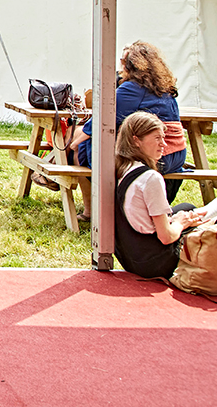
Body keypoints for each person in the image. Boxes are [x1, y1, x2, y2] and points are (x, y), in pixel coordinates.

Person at [69, 40, 187, 221]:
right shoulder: (164, 88)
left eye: (122, 62)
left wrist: (75, 143)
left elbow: (103, 117)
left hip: (158, 155)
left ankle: (93, 211)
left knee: (85, 145)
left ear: (130, 65)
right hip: (177, 155)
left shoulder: (132, 88)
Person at [113, 111, 207, 279]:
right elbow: (166, 237)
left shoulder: (123, 167)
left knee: (188, 208)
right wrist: (179, 224)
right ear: (136, 140)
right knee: (203, 221)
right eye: (157, 138)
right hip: (153, 263)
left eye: (163, 138)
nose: (164, 144)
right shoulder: (150, 178)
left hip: (130, 258)